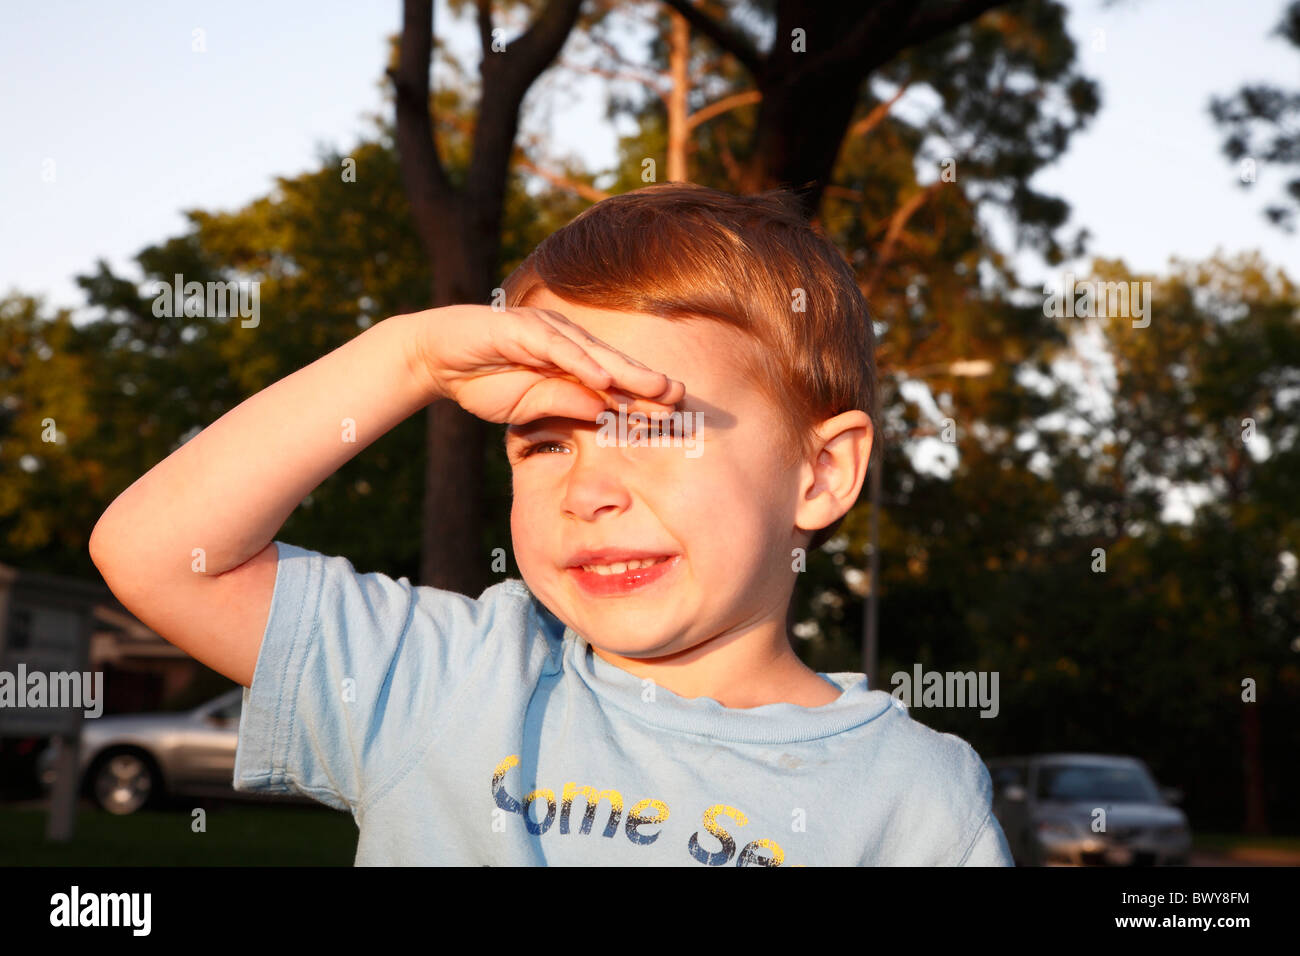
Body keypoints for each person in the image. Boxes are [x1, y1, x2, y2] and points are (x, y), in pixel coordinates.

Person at [89, 182, 1013, 866]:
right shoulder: (444, 678)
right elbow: (158, 554)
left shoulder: (916, 801)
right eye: (544, 444)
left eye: (651, 429)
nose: (588, 491)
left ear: (821, 473)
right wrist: (406, 356)